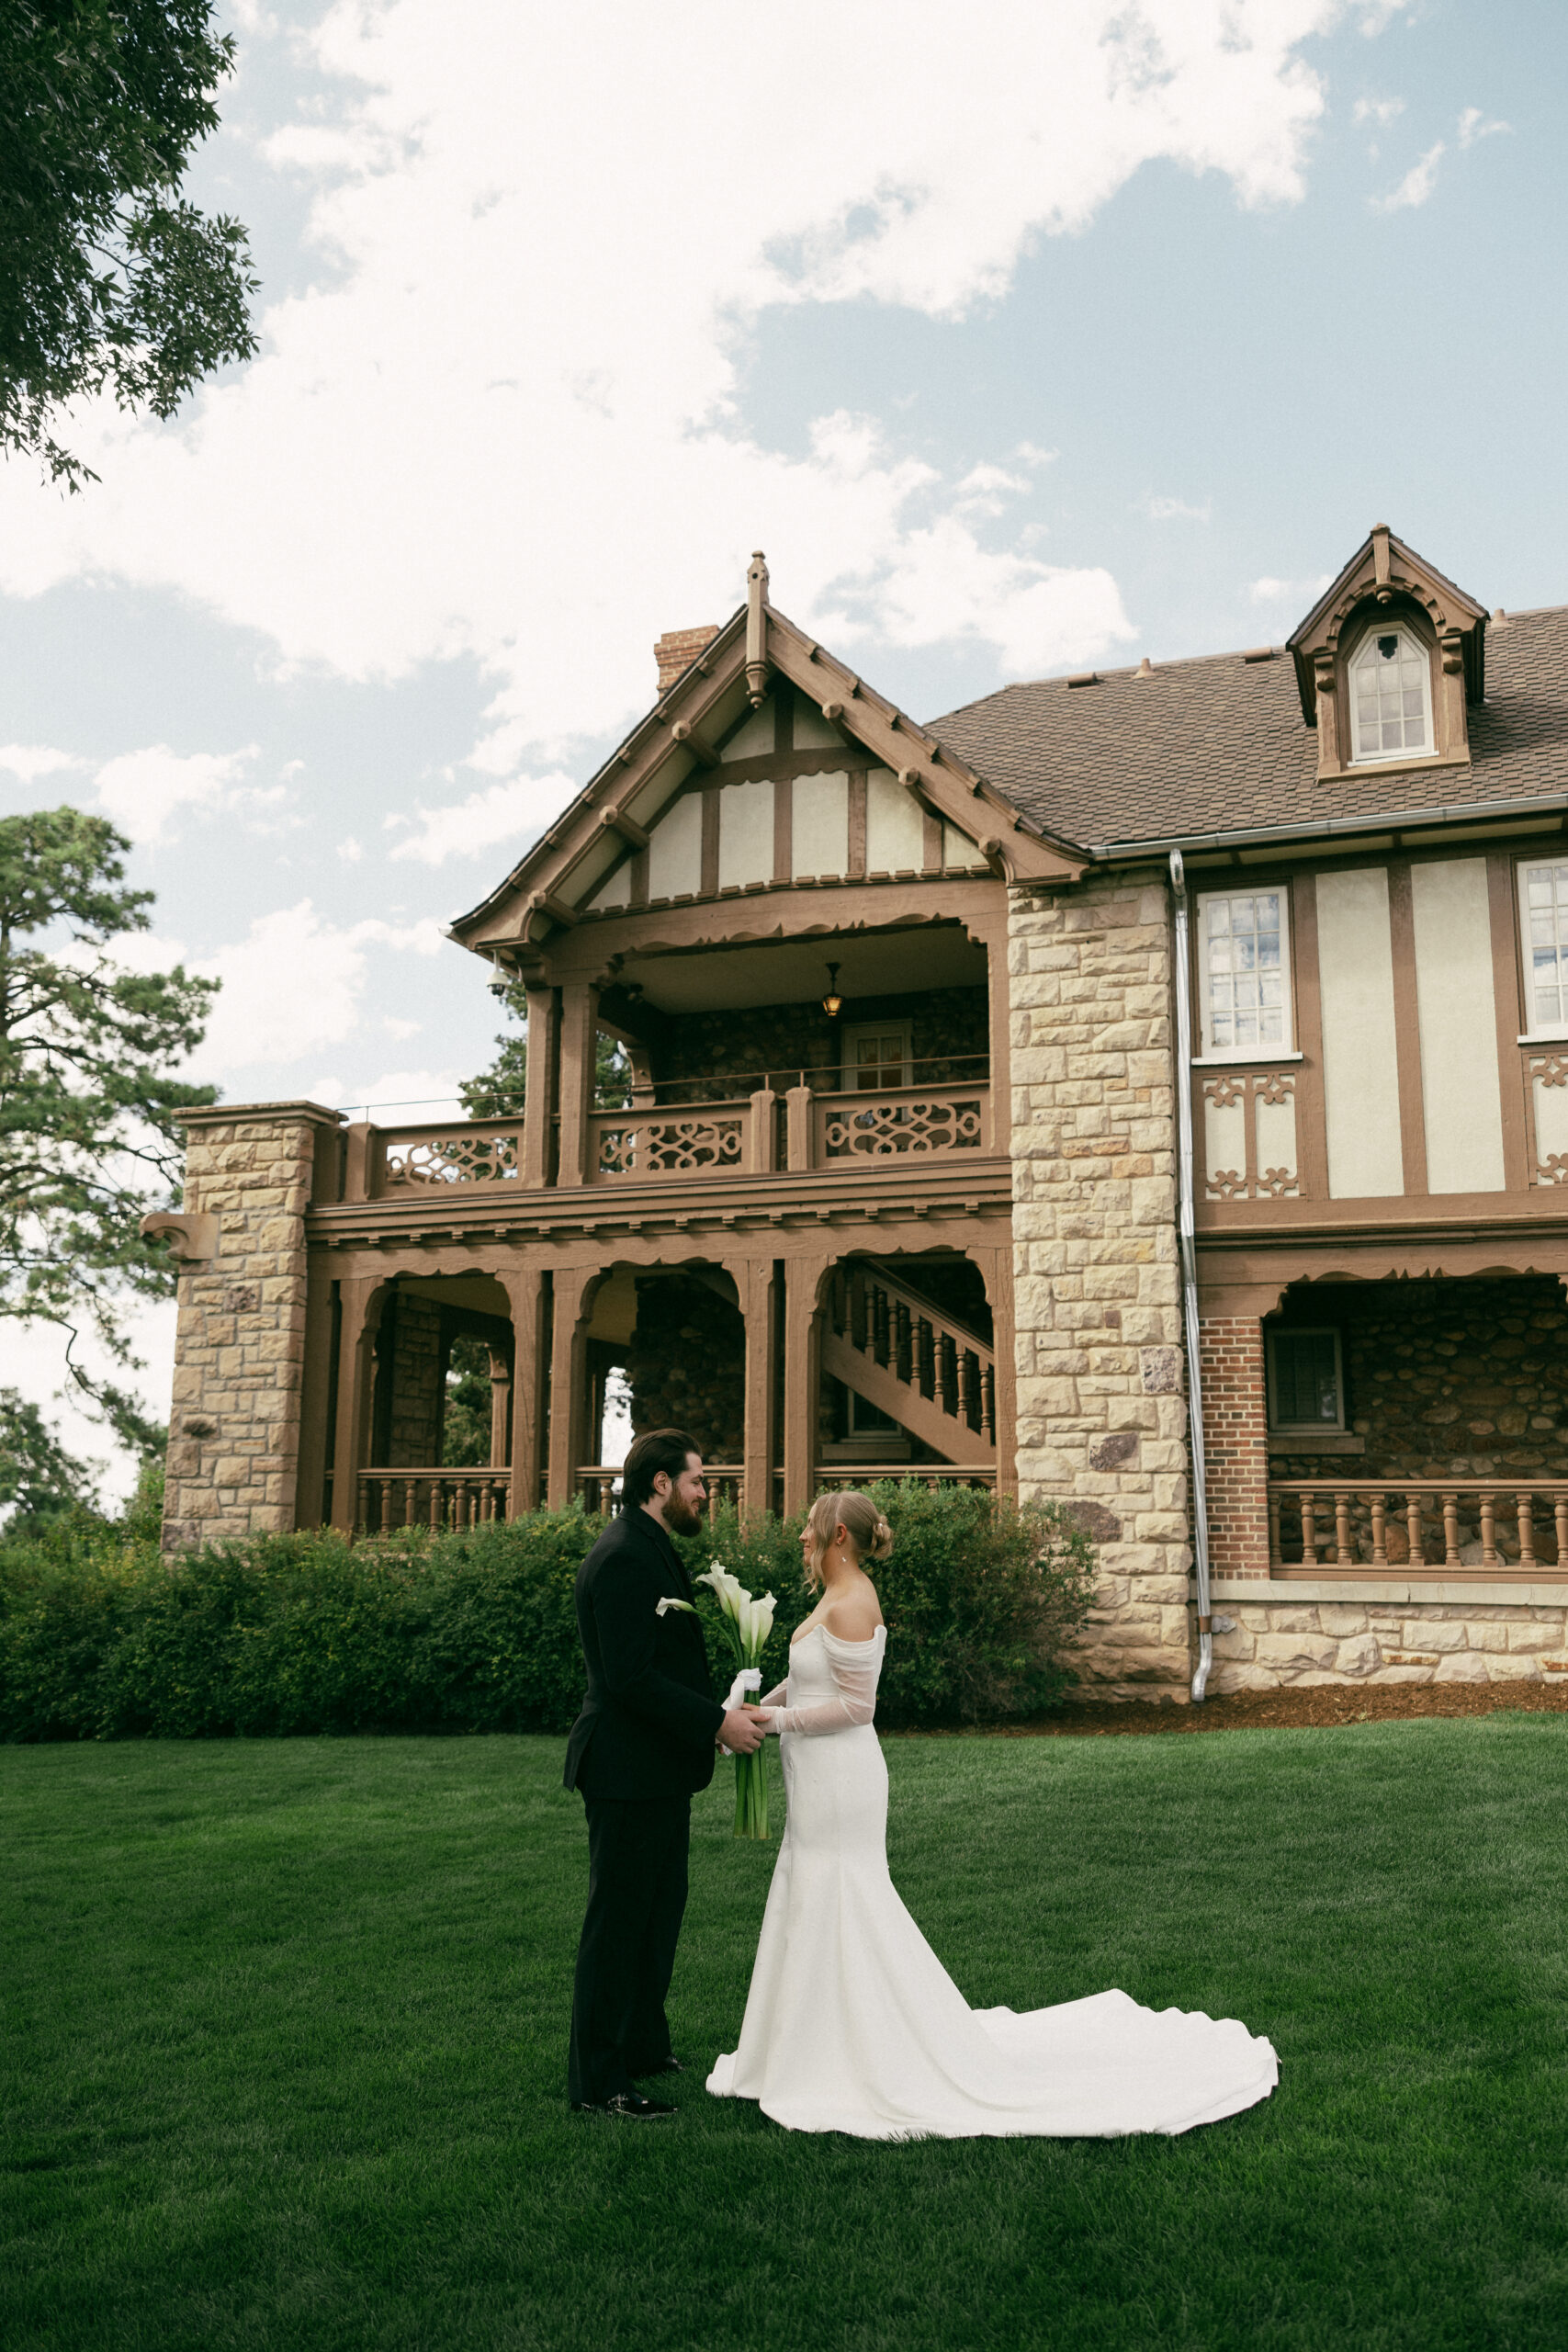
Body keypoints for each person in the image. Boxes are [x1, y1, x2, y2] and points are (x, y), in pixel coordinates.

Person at [707, 1489, 1279, 2139]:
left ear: (839, 1534)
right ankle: (802, 2047)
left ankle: (857, 2054)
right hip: (814, 1775)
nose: (802, 1539)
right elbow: (814, 1681)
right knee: (810, 1893)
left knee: (842, 1896)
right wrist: (758, 1704)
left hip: (841, 1780)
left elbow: (857, 1709)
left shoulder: (855, 1600)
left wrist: (775, 1721)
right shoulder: (830, 1598)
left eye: (810, 1529)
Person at [564, 1427, 766, 2119]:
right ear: (660, 1485)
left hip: (656, 1768)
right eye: (697, 1482)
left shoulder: (650, 1548)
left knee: (656, 1916)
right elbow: (628, 1678)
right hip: (623, 1771)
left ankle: (644, 2045)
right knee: (617, 1925)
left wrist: (707, 1713)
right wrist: (715, 1723)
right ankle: (600, 2082)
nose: (705, 1494)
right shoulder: (622, 1557)